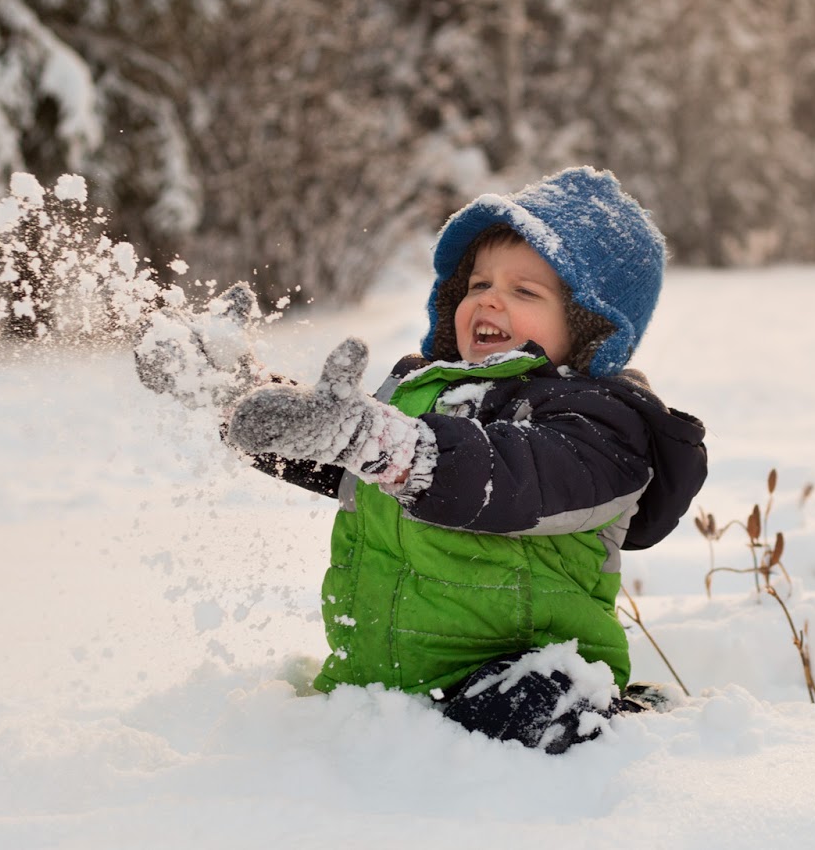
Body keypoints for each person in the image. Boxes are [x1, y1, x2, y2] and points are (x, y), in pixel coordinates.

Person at [136, 166, 707, 753]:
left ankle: (614, 721)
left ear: (590, 327)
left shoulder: (601, 428)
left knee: (540, 706)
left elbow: (511, 477)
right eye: (478, 282)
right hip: (390, 680)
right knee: (350, 738)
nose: (488, 299)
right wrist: (241, 394)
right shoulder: (418, 396)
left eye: (524, 291)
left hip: (518, 676)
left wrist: (382, 442)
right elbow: (345, 458)